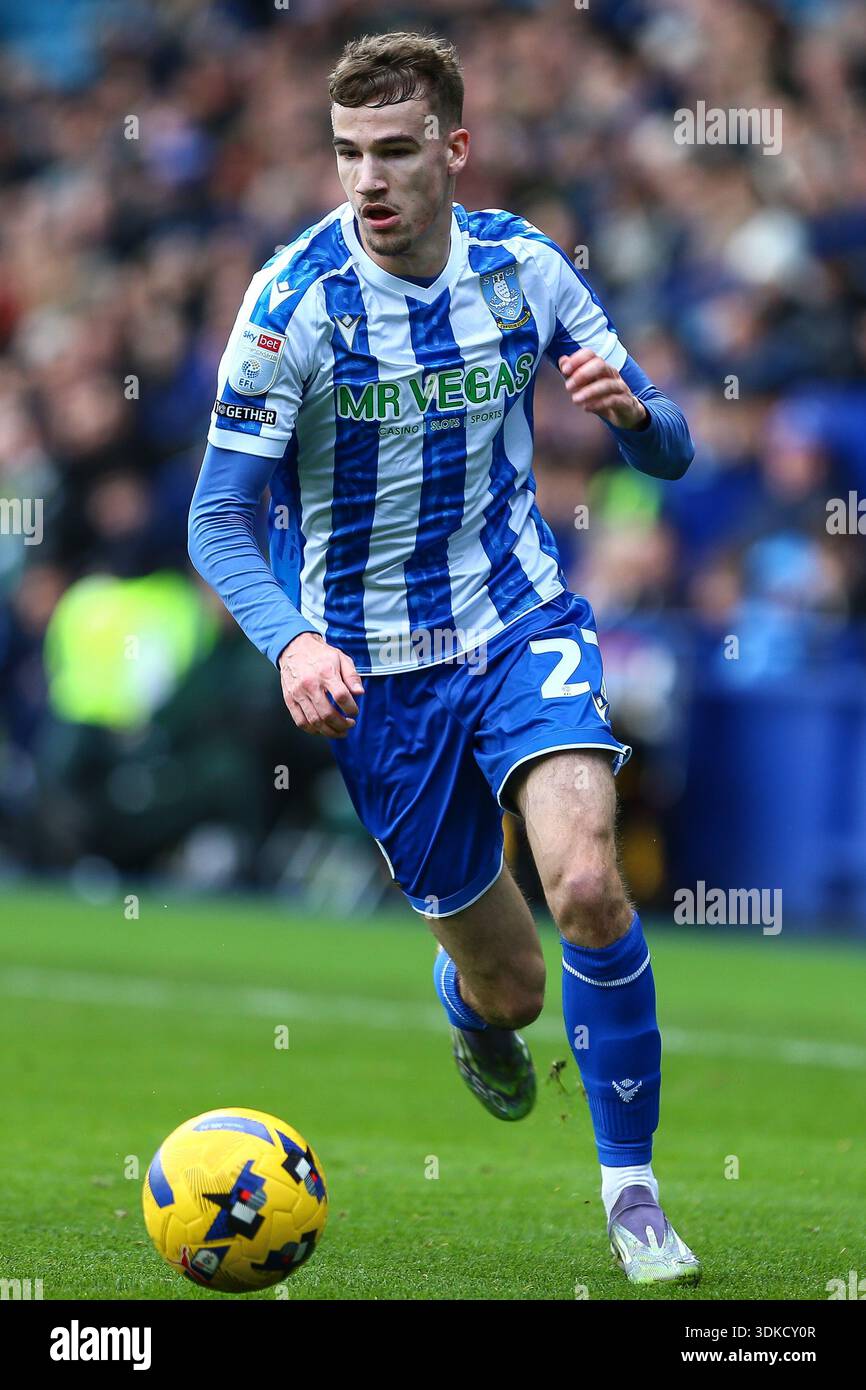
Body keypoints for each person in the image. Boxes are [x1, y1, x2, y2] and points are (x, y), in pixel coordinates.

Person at [189, 31, 699, 1286]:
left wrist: (635, 420)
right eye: (348, 151)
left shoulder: (525, 270)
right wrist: (292, 636)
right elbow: (216, 518)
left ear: (453, 151)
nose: (367, 178)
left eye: (396, 149)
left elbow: (672, 448)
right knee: (517, 987)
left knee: (586, 882)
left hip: (518, 621)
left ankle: (630, 1193)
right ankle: (468, 1000)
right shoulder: (288, 304)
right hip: (376, 679)